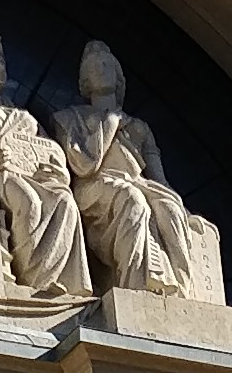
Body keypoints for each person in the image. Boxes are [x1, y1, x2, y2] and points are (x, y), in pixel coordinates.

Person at [50, 41, 194, 294]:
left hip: (136, 183)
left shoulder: (140, 128)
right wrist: (110, 123)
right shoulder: (69, 118)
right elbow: (85, 165)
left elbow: (159, 179)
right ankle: (134, 287)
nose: (101, 70)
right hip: (93, 188)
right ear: (84, 81)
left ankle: (181, 290)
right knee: (132, 200)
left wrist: (186, 210)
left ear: (119, 77)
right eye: (94, 67)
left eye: (107, 66)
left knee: (169, 208)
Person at [0, 36, 89, 297]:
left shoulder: (23, 117)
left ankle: (50, 282)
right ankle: (32, 280)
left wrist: (56, 169)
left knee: (64, 201)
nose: (1, 68)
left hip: (33, 176)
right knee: (27, 201)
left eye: (2, 63)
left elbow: (53, 151)